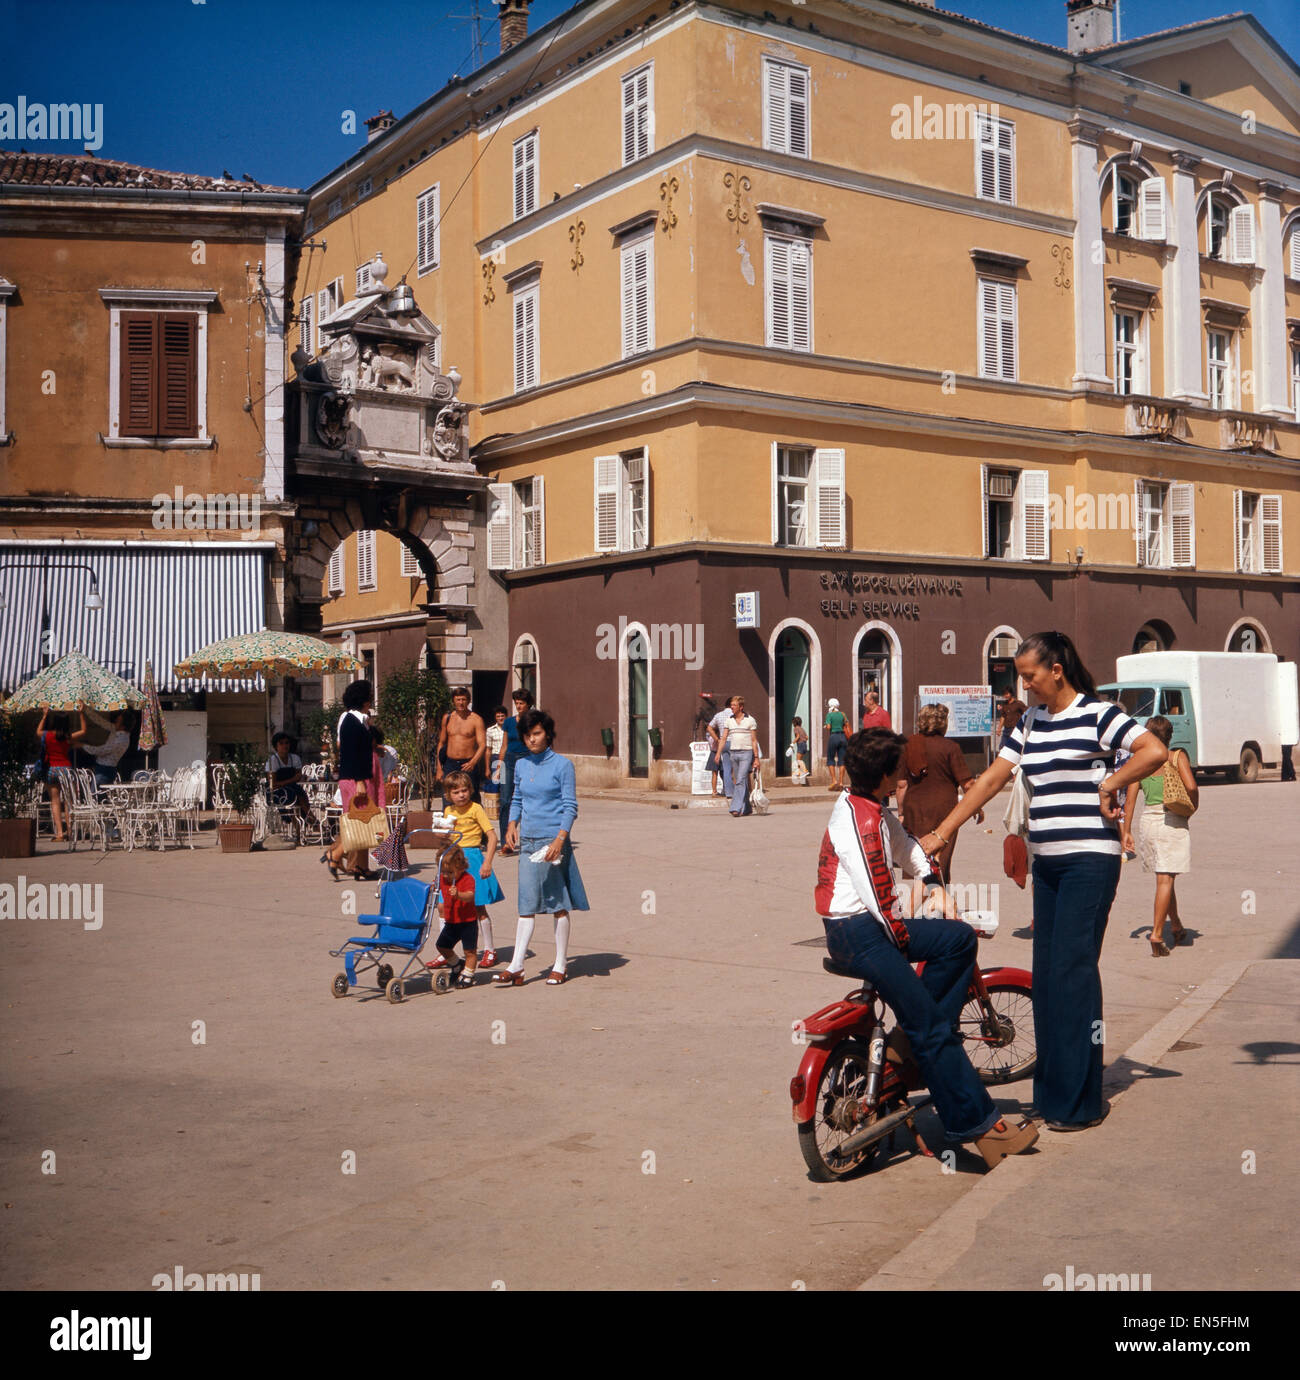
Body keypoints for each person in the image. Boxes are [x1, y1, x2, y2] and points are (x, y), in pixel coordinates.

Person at [916, 631, 1167, 1132]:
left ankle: (1079, 1103)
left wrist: (1111, 783)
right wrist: (943, 831)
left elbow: (1153, 750)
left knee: (1073, 976)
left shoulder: (1099, 714)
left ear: (1057, 669)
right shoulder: (1029, 723)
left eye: (1029, 675)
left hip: (1090, 861)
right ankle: (1052, 1097)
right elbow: (991, 779)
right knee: (1049, 979)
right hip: (1047, 865)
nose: (1023, 684)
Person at [816, 728, 1039, 1167]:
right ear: (883, 775)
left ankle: (913, 1039)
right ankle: (980, 1126)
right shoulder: (858, 820)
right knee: (933, 1028)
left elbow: (908, 849)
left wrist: (936, 887)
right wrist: (903, 941)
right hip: (859, 933)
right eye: (895, 770)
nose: (901, 775)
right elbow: (878, 892)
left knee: (957, 939)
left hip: (868, 927)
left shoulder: (869, 806)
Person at [494, 709, 589, 986]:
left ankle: (561, 964)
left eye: (536, 734)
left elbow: (570, 806)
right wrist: (512, 825)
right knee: (526, 904)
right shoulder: (522, 765)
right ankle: (517, 965)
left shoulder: (562, 765)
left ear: (548, 734)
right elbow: (518, 798)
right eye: (527, 735)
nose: (531, 740)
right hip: (528, 842)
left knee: (557, 904)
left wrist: (560, 840)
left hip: (553, 842)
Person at [1121, 716, 1195, 957]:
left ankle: (1176, 925)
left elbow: (1130, 800)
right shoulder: (1176, 756)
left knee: (1166, 876)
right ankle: (1157, 934)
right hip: (1170, 820)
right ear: (1170, 736)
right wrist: (1192, 807)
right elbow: (1191, 787)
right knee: (1165, 879)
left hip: (1148, 822)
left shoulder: (1140, 761)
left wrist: (1126, 831)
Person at [894, 704, 984, 883]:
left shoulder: (909, 745)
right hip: (944, 811)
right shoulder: (950, 747)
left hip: (915, 810)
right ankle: (939, 901)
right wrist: (977, 806)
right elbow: (967, 783)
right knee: (941, 860)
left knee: (918, 858)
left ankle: (924, 902)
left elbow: (902, 785)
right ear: (942, 724)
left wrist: (902, 813)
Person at [427, 770, 504, 970]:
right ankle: (446, 951)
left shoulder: (476, 808)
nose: (461, 795)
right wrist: (440, 835)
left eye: (464, 790)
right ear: (448, 795)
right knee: (443, 906)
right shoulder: (448, 812)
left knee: (478, 907)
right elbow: (445, 837)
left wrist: (487, 862)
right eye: (456, 792)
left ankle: (489, 949)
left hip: (472, 858)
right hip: (452, 859)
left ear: (470, 790)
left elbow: (492, 836)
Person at [320, 680, 377, 878]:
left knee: (364, 821)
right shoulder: (352, 723)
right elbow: (352, 754)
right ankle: (334, 853)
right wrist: (360, 780)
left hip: (357, 777)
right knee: (357, 822)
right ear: (363, 699)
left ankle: (360, 865)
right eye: (369, 696)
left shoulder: (359, 720)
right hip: (355, 778)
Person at [429, 846, 480, 988]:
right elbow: (435, 886)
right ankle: (457, 965)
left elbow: (470, 896)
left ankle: (468, 974)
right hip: (451, 921)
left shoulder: (467, 879)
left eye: (450, 872)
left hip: (467, 921)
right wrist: (432, 888)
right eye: (443, 872)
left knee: (470, 951)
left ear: (461, 868)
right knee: (442, 946)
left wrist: (459, 895)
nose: (446, 875)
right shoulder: (442, 879)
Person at [34, 708, 87, 842]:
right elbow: (84, 731)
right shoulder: (67, 736)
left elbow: (37, 732)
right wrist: (81, 713)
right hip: (66, 770)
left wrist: (44, 716)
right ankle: (69, 831)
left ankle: (59, 833)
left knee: (55, 801)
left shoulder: (46, 735)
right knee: (68, 801)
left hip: (51, 769)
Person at [321, 782, 385, 881]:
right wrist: (360, 780)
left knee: (361, 822)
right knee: (362, 822)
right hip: (360, 779)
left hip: (360, 778)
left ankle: (359, 866)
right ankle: (337, 854)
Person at [496, 688, 535, 849]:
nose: (518, 706)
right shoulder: (509, 722)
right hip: (509, 761)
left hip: (527, 759)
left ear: (528, 705)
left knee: (527, 800)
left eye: (521, 703)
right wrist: (498, 766)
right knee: (505, 800)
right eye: (516, 703)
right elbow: (504, 745)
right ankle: (506, 842)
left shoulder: (533, 721)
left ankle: (529, 838)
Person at [435, 688, 486, 804]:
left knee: (471, 798)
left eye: (463, 699)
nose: (461, 702)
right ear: (453, 701)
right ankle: (448, 822)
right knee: (448, 798)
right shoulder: (447, 718)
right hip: (449, 763)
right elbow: (441, 743)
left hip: (468, 764)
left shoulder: (476, 719)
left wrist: (473, 762)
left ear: (468, 701)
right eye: (458, 700)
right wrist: (439, 768)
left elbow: (482, 744)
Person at [716, 694, 761, 817]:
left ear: (741, 707)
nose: (732, 707)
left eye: (734, 705)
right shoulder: (729, 720)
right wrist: (718, 753)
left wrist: (756, 758)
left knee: (740, 779)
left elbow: (753, 740)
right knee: (741, 780)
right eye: (731, 705)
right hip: (733, 753)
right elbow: (723, 738)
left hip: (746, 753)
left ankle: (735, 807)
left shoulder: (750, 720)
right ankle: (747, 808)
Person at [265, 731, 312, 820]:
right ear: (276, 746)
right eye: (281, 743)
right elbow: (273, 783)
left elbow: (298, 776)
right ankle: (311, 821)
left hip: (292, 789)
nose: (284, 746)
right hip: (276, 793)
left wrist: (295, 779)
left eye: (286, 743)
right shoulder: (272, 761)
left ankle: (305, 822)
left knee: (298, 793)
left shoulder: (294, 758)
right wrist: (291, 780)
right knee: (294, 795)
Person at [82, 710, 131, 790]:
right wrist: (86, 710)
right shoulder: (116, 730)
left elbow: (102, 750)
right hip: (103, 768)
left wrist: (83, 746)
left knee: (96, 796)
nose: (115, 722)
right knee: (97, 794)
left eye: (118, 721)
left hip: (105, 770)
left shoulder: (122, 739)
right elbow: (100, 721)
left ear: (123, 726)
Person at [707, 696, 736, 800]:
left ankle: (729, 792)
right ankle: (737, 790)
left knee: (727, 769)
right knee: (735, 768)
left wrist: (717, 739)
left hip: (723, 743)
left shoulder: (718, 715)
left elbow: (709, 727)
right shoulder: (735, 715)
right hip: (735, 742)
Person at [824, 697, 849, 792]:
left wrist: (826, 725)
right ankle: (841, 782)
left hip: (833, 736)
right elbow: (846, 724)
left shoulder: (829, 715)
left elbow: (829, 727)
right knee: (842, 760)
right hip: (843, 737)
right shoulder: (843, 714)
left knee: (830, 759)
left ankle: (834, 781)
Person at [790, 716, 810, 785]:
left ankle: (804, 771)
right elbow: (807, 737)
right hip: (804, 744)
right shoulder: (802, 729)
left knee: (798, 760)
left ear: (794, 723)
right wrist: (803, 739)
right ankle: (800, 773)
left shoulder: (795, 728)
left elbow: (797, 736)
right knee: (799, 760)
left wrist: (792, 743)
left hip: (800, 745)